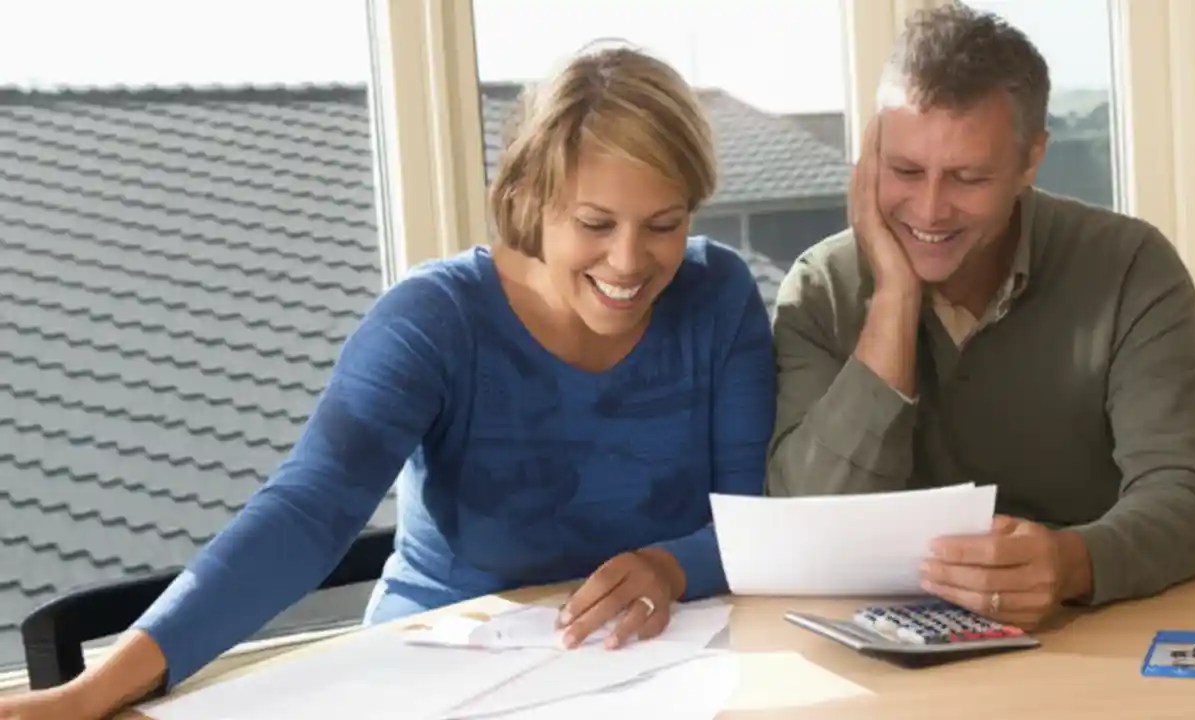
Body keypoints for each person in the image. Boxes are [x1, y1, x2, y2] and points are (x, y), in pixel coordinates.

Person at [0, 46, 776, 719]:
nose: (631, 262)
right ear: (532, 200)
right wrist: (90, 693)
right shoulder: (433, 322)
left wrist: (674, 566)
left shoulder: (719, 297)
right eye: (596, 224)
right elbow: (305, 512)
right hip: (434, 682)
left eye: (665, 225)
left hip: (657, 675)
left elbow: (747, 527)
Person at [766, 4, 1195, 630]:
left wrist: (1074, 562)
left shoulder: (1132, 267)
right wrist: (895, 301)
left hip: (1094, 641)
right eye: (905, 170)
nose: (930, 210)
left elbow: (1194, 500)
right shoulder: (820, 290)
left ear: (1030, 160)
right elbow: (804, 527)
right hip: (879, 654)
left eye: (968, 177)